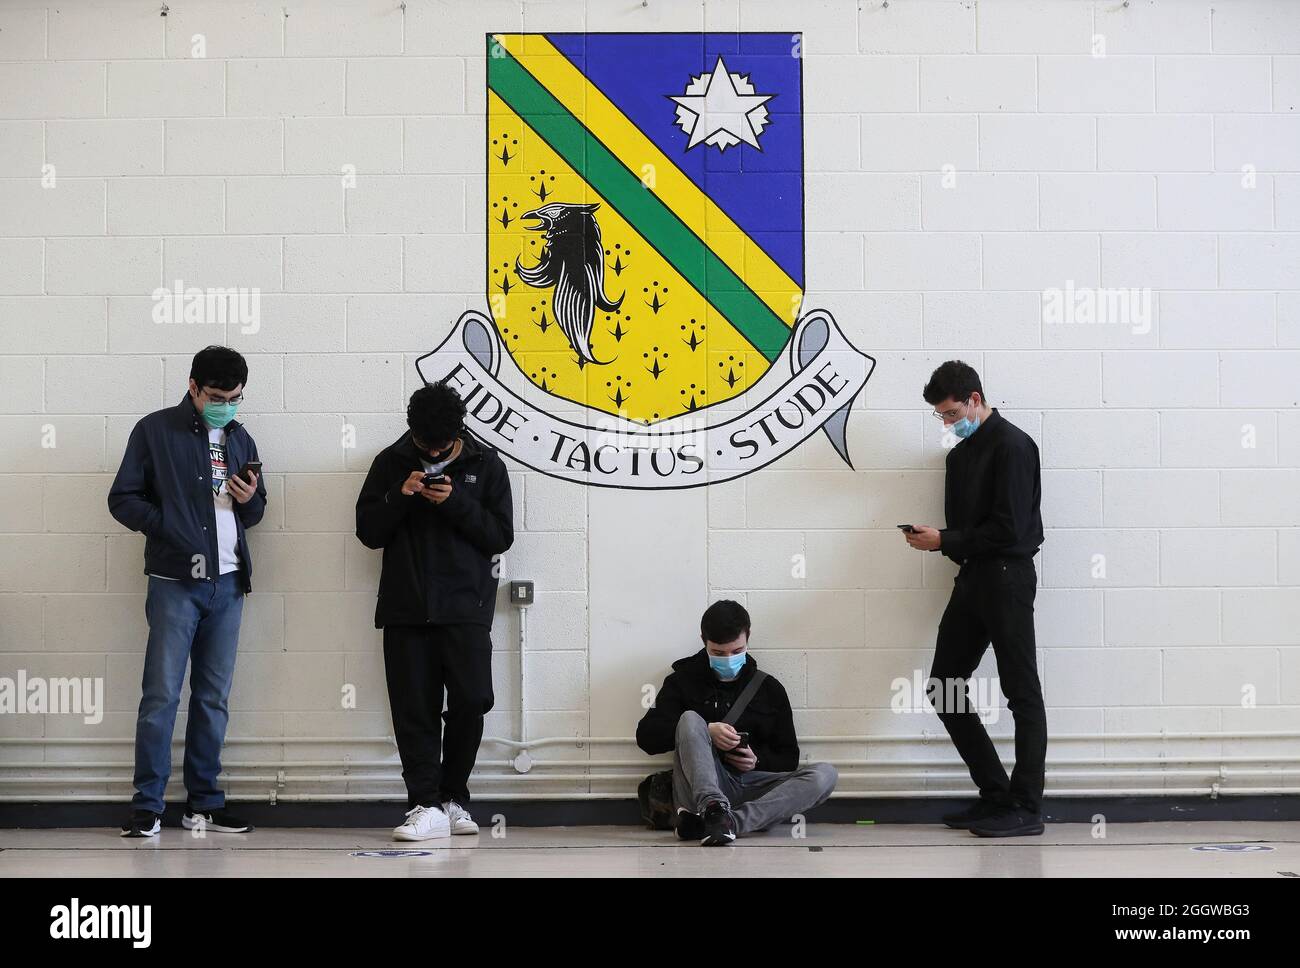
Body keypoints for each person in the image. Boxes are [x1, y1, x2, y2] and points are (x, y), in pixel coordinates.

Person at [108, 346, 267, 838]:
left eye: (235, 398)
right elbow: (122, 499)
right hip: (175, 582)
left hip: (227, 583)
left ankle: (205, 804)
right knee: (160, 696)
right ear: (193, 387)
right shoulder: (154, 430)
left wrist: (250, 500)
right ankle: (147, 808)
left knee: (213, 698)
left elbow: (257, 511)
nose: (226, 406)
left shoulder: (240, 437)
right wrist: (170, 526)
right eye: (217, 397)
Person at [355, 381, 514, 842]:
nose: (432, 452)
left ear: (458, 433)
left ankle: (453, 798)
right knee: (414, 711)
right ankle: (423, 804)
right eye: (425, 445)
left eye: (441, 446)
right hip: (406, 610)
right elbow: (368, 532)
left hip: (466, 609)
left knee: (472, 701)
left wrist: (456, 503)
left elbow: (500, 536)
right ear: (413, 434)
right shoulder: (390, 463)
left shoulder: (486, 464)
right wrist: (400, 495)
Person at [902, 360, 1047, 837]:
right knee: (944, 685)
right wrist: (942, 540)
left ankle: (1026, 807)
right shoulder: (959, 457)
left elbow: (1011, 529)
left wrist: (946, 540)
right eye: (941, 417)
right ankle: (996, 793)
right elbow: (961, 530)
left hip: (1007, 578)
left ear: (975, 399)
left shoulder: (1014, 446)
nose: (948, 423)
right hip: (972, 578)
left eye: (951, 413)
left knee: (1020, 691)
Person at [636, 600, 838, 845]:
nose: (728, 659)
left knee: (824, 775)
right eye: (719, 653)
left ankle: (727, 822)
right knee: (690, 719)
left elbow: (788, 758)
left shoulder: (769, 689)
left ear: (748, 637)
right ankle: (713, 809)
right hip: (698, 790)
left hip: (751, 787)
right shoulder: (682, 681)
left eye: (736, 651)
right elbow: (646, 737)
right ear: (704, 641)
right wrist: (706, 731)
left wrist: (756, 761)